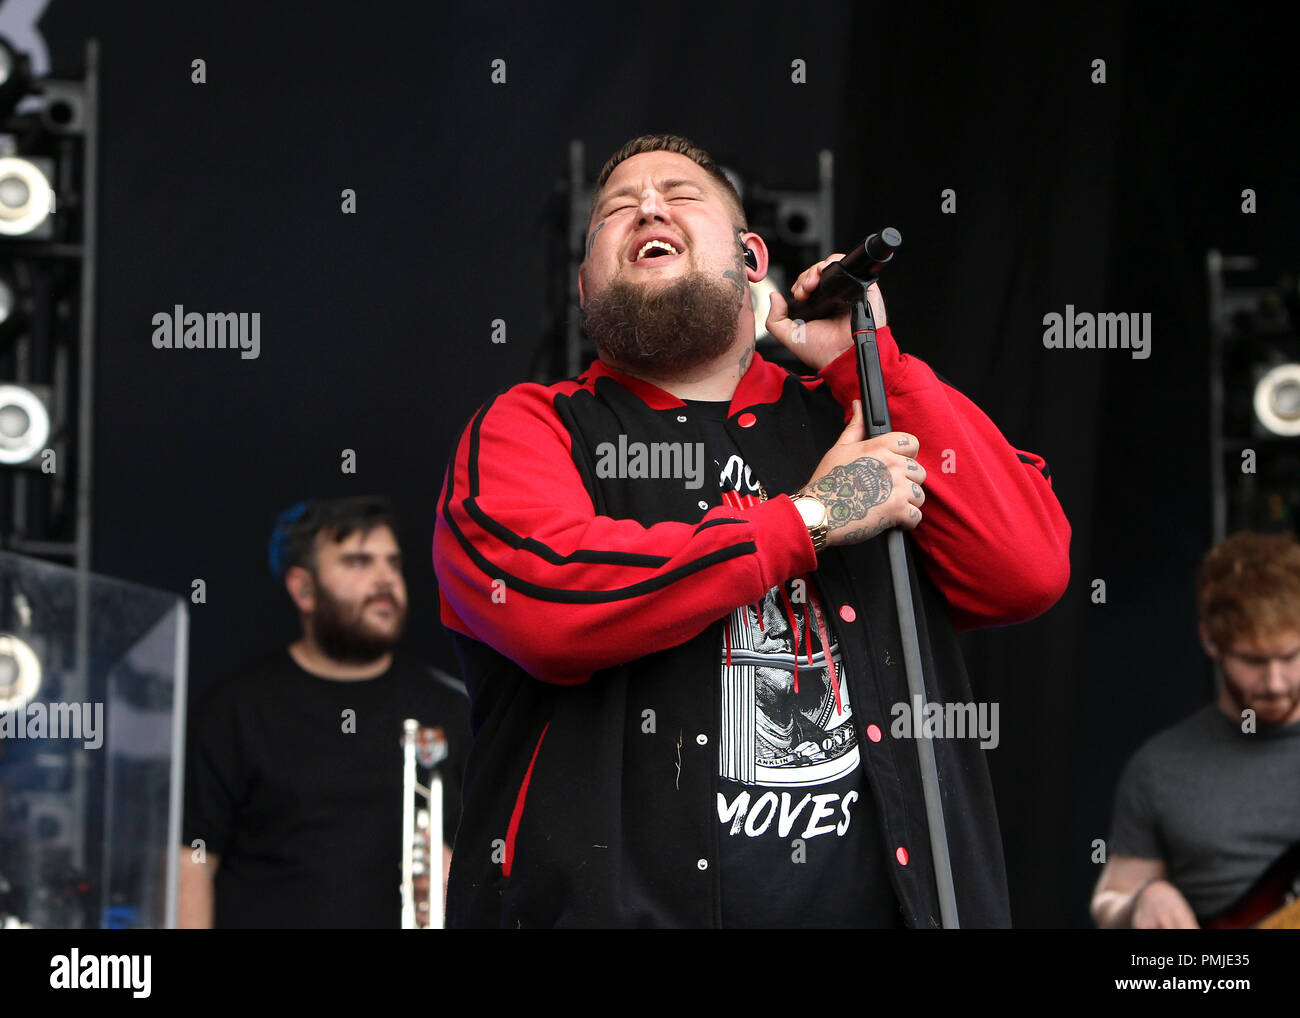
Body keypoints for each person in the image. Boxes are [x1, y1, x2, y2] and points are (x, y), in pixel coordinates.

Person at [434, 134, 1071, 928]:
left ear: (753, 258)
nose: (649, 208)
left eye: (679, 193)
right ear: (584, 283)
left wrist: (870, 365)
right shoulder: (532, 427)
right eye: (616, 211)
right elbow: (548, 603)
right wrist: (813, 517)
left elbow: (1028, 566)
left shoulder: (852, 418)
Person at [178, 495, 470, 928]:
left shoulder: (453, 707)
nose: (385, 579)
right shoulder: (234, 711)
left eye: (393, 563)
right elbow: (192, 865)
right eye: (358, 562)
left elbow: (506, 858)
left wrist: (467, 876)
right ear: (304, 589)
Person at [1091, 530, 1300, 929]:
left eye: (1290, 656)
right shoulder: (1160, 767)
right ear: (1211, 641)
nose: (1275, 682)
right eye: (1253, 661)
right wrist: (1141, 900)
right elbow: (1109, 900)